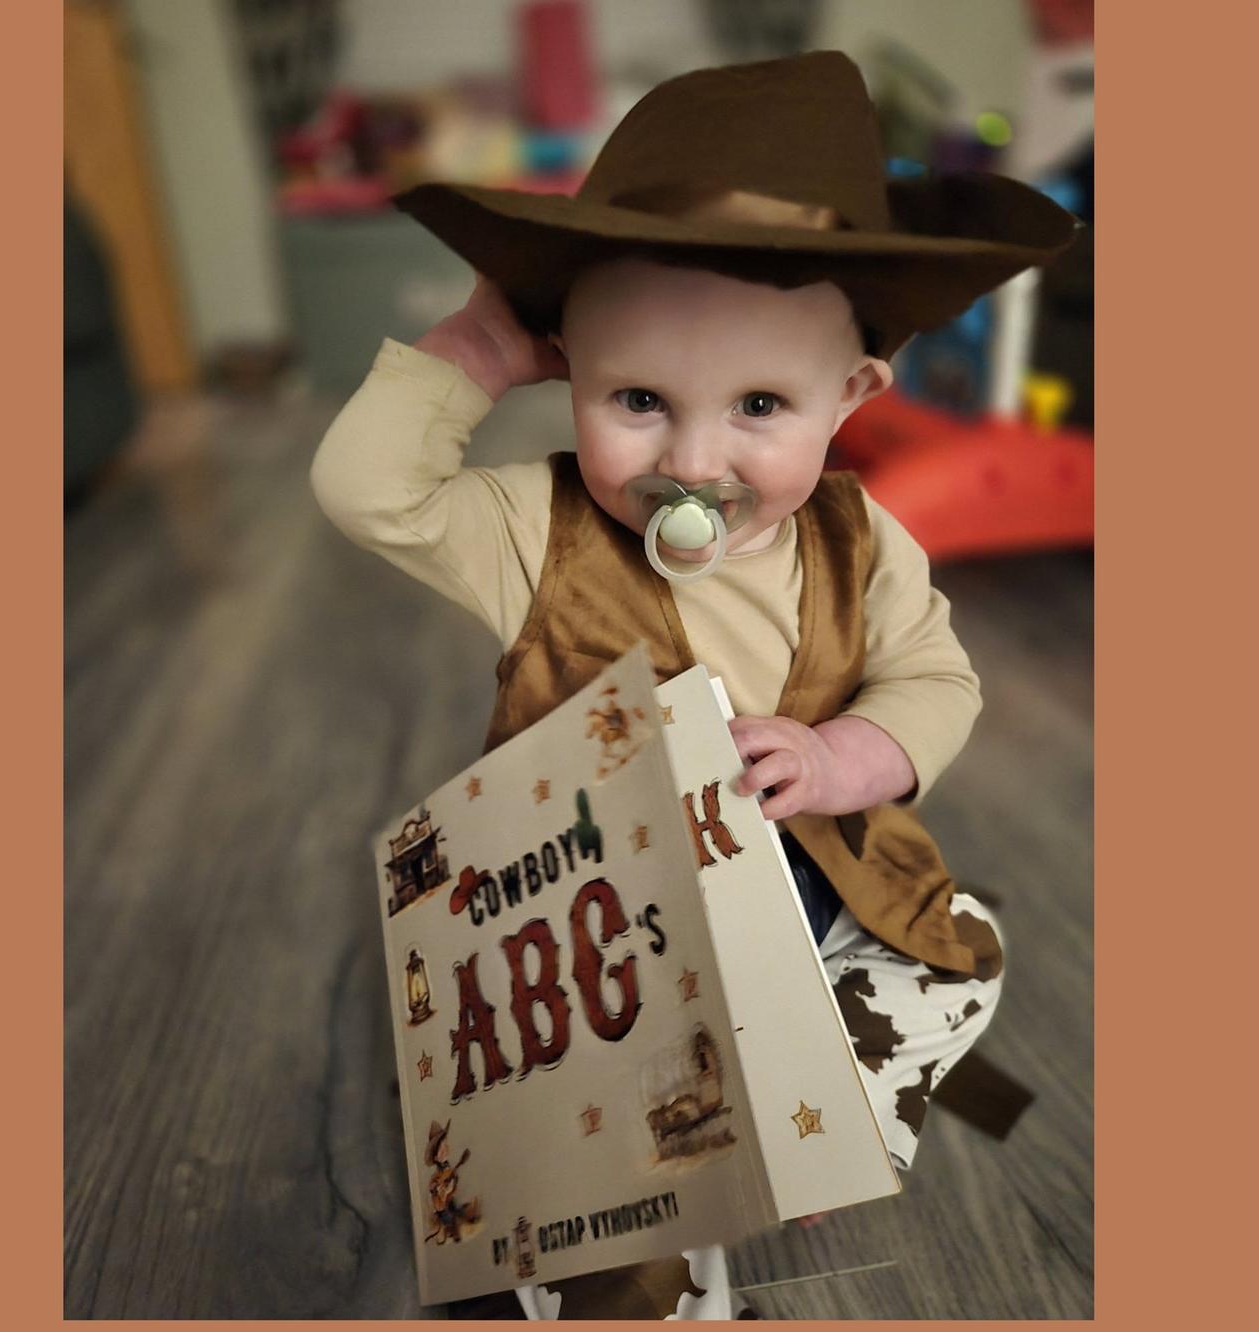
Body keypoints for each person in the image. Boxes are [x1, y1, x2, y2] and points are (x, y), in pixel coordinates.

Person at [312, 50, 1077, 1320]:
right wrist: (468, 351)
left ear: (853, 397)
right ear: (565, 367)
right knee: (622, 1175)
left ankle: (812, 1111)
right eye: (638, 400)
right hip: (597, 941)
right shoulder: (536, 529)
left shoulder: (862, 542)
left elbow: (936, 680)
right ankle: (653, 1263)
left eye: (761, 405)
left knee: (964, 956)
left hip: (802, 888)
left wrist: (850, 759)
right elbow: (366, 492)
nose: (695, 460)